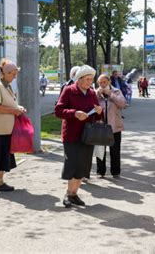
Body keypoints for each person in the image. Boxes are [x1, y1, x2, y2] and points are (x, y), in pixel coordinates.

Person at [55, 65, 103, 207]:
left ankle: (74, 194)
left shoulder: (92, 93)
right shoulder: (68, 90)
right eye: (87, 79)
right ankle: (69, 194)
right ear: (79, 79)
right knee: (73, 164)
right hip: (71, 134)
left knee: (83, 165)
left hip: (88, 135)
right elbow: (58, 110)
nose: (90, 82)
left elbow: (99, 115)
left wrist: (99, 111)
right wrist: (74, 113)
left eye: (91, 79)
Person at [0, 59, 26, 192]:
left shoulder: (6, 85)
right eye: (13, 74)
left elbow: (9, 103)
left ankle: (0, 182)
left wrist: (18, 108)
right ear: (4, 73)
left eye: (15, 74)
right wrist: (14, 111)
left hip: (6, 129)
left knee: (3, 156)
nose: (14, 77)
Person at [95, 74, 127, 177]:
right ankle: (101, 171)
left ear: (109, 82)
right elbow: (90, 105)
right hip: (100, 126)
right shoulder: (95, 92)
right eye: (100, 82)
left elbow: (123, 104)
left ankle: (115, 171)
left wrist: (110, 94)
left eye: (104, 82)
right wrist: (96, 95)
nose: (102, 84)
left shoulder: (116, 91)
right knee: (100, 150)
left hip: (114, 126)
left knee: (115, 150)